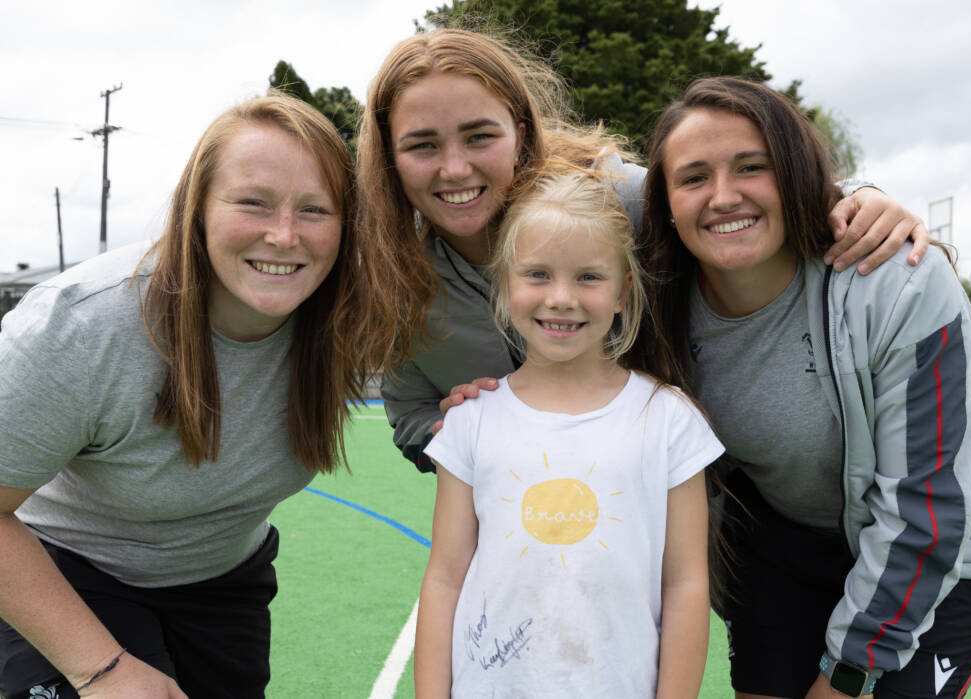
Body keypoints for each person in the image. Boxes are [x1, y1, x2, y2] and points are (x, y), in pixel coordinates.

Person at [357, 27, 932, 474]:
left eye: (480, 135)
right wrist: (450, 433)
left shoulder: (615, 200)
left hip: (694, 499)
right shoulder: (398, 278)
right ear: (388, 156)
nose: (455, 167)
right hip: (531, 525)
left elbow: (724, 203)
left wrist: (858, 197)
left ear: (522, 132)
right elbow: (409, 413)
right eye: (422, 145)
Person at [0, 91, 386, 699]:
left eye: (315, 210)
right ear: (197, 210)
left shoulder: (349, 318)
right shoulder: (80, 327)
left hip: (223, 581)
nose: (284, 235)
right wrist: (100, 670)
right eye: (253, 203)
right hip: (67, 569)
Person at [630, 76, 971, 699]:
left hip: (948, 552)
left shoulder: (899, 282)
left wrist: (848, 676)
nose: (722, 196)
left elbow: (925, 516)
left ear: (799, 175)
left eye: (753, 167)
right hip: (789, 540)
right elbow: (542, 183)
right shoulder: (655, 293)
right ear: (662, 201)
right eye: (693, 178)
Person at [414, 168, 725, 698]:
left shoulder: (670, 420)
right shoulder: (470, 421)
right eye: (537, 274)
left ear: (624, 290)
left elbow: (687, 584)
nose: (561, 298)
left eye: (588, 277)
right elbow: (444, 578)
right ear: (506, 284)